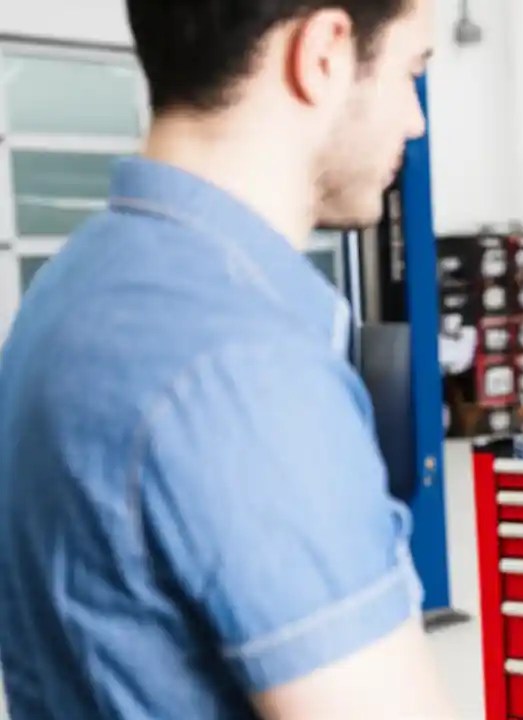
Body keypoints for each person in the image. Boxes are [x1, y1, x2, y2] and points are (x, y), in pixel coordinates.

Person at [0, 1, 448, 718]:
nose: (414, 119)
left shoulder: (69, 288)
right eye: (409, 72)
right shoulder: (245, 364)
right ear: (325, 52)